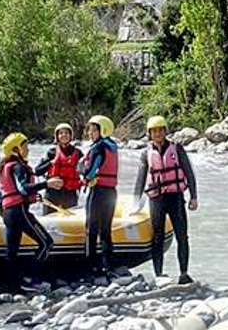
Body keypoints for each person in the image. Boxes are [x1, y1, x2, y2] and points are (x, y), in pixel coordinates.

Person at [131, 114, 198, 284]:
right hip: (157, 199)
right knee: (157, 237)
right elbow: (140, 179)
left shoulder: (177, 149)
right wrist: (136, 203)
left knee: (182, 235)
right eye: (154, 131)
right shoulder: (146, 153)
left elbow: (188, 172)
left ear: (165, 132)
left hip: (175, 197)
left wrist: (193, 197)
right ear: (149, 134)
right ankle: (159, 274)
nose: (158, 134)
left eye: (160, 130)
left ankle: (184, 273)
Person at [0, 131, 54, 280]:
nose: (28, 149)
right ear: (16, 149)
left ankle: (14, 284)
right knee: (46, 243)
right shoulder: (17, 167)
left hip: (8, 213)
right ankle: (31, 278)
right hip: (19, 212)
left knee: (12, 252)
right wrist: (47, 184)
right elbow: (23, 189)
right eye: (25, 146)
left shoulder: (4, 167)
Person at [78, 114, 118, 276]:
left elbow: (90, 172)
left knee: (91, 230)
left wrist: (80, 167)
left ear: (103, 131)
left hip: (98, 192)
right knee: (106, 231)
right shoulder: (112, 146)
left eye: (94, 130)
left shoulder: (98, 148)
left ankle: (91, 268)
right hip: (111, 192)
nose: (90, 133)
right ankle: (109, 266)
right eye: (90, 130)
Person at [35, 122, 83, 212]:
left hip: (70, 194)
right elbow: (37, 171)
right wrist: (50, 163)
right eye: (61, 133)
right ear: (57, 136)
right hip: (53, 193)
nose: (64, 135)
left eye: (66, 133)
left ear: (71, 136)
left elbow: (85, 170)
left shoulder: (78, 153)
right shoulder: (51, 152)